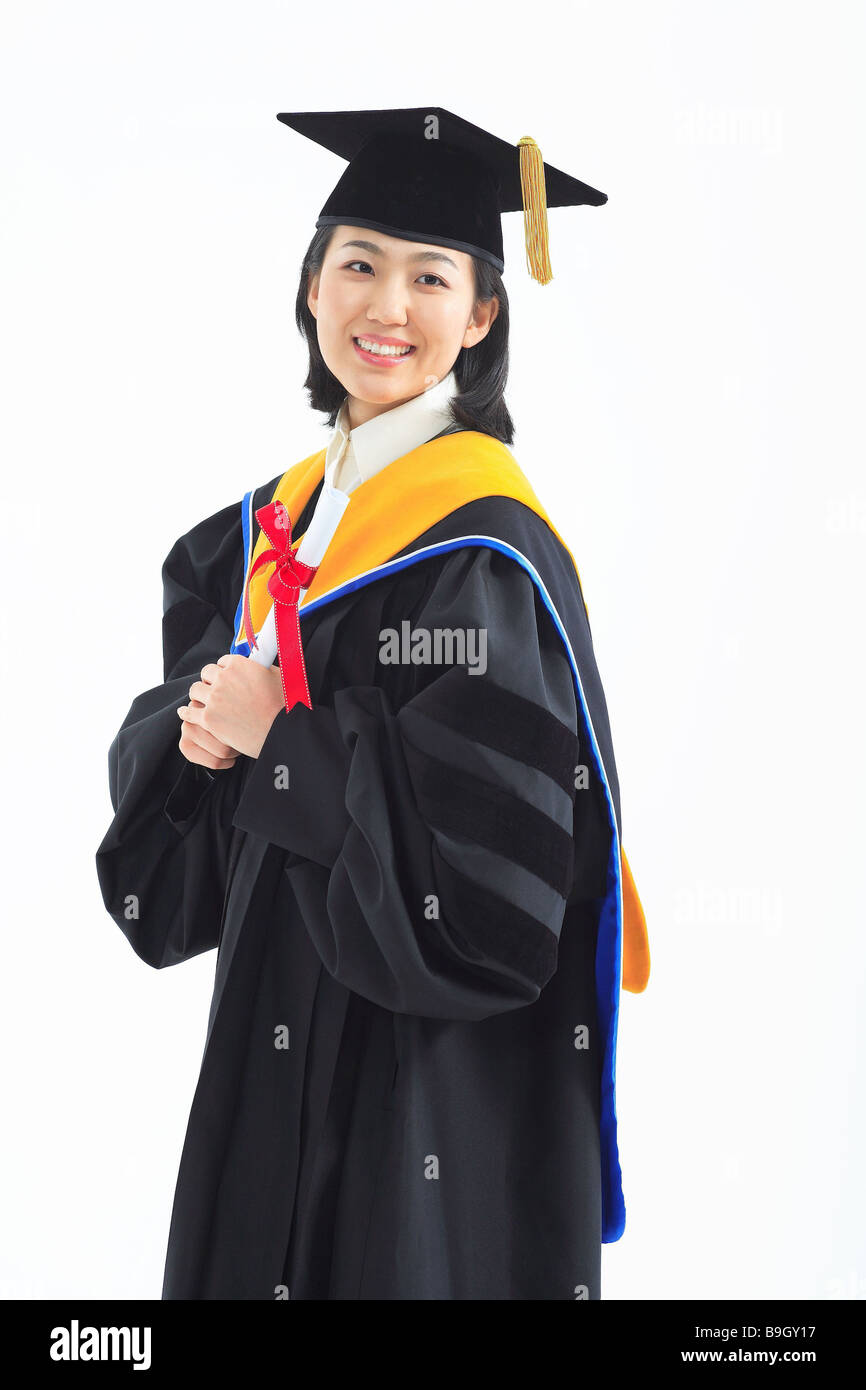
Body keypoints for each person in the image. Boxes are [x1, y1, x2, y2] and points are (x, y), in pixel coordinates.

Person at [95, 106, 650, 1301]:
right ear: (309, 289)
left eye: (429, 276)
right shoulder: (265, 528)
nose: (385, 308)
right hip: (268, 1025)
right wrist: (199, 743)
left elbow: (495, 905)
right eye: (356, 264)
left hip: (423, 1076)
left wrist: (279, 742)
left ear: (481, 313)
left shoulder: (481, 552)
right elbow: (176, 883)